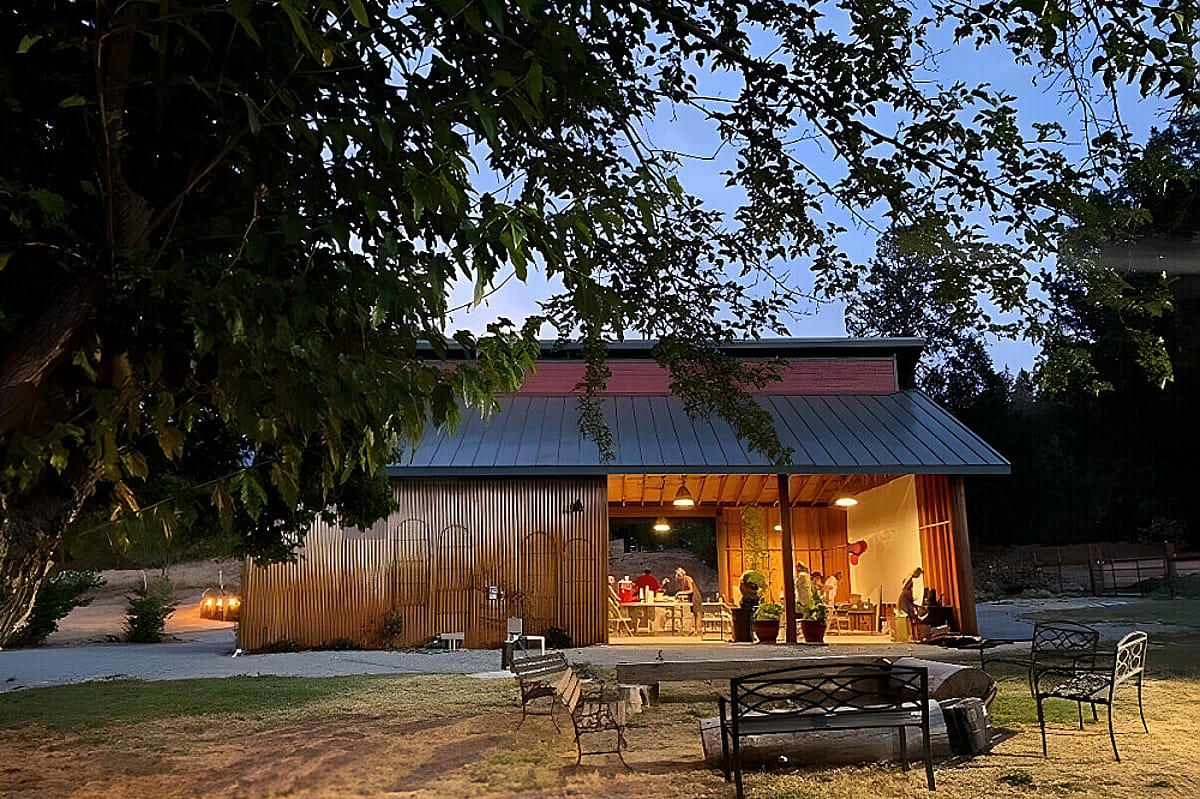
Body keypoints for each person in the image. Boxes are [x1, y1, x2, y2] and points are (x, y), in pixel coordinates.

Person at [674, 567, 704, 636]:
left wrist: (679, 593)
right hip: (691, 597)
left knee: (697, 613)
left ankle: (698, 630)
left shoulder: (688, 578)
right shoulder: (683, 580)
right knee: (694, 613)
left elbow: (691, 590)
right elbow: (685, 591)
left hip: (695, 596)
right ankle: (695, 629)